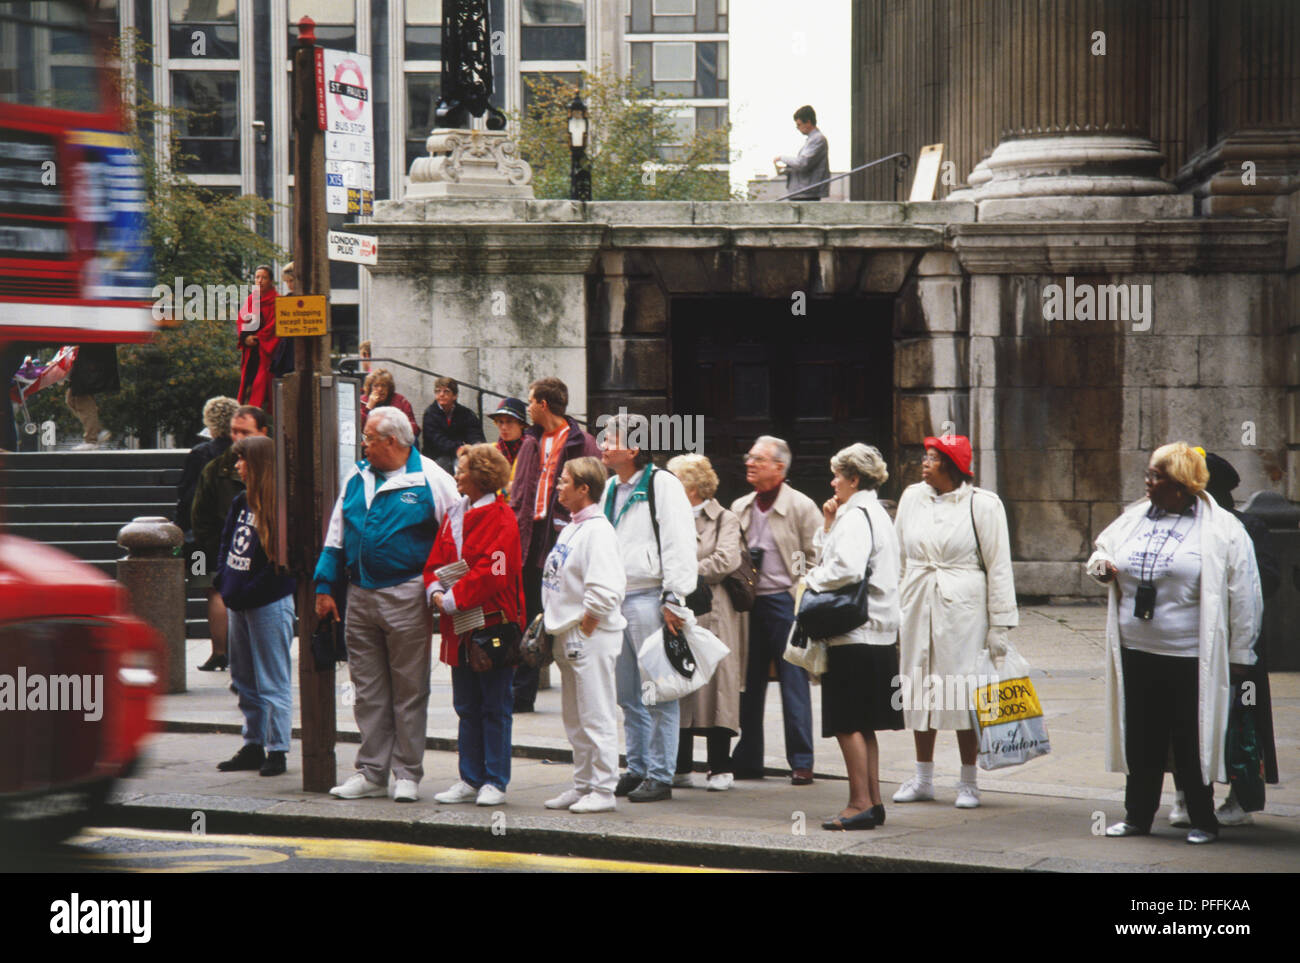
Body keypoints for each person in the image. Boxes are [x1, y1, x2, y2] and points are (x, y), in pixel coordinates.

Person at [1089, 442, 1262, 844]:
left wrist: (1241, 654)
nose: (1147, 482)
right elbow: (1102, 549)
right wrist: (1101, 567)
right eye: (1149, 474)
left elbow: (1245, 594)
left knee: (1190, 736)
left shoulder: (1222, 529)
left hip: (1190, 654)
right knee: (1141, 735)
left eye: (1156, 476)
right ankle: (1138, 816)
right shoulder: (1134, 517)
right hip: (1135, 649)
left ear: (1181, 485)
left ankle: (1203, 818)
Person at [315, 406, 458, 803]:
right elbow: (336, 534)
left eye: (369, 438)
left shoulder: (431, 477)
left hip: (407, 594)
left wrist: (443, 591)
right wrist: (325, 586)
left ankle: (407, 773)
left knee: (409, 690)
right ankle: (371, 772)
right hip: (359, 594)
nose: (363, 444)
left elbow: (457, 537)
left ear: (391, 442)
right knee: (367, 690)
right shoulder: (357, 476)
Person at [893, 434, 1017, 809]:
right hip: (917, 600)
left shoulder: (983, 505)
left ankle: (968, 781)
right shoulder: (911, 498)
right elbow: (899, 556)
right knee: (918, 687)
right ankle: (923, 777)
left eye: (931, 458)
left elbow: (998, 566)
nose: (924, 464)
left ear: (950, 465)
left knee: (963, 690)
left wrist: (1000, 625)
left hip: (963, 607)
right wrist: (893, 607)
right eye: (925, 457)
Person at [1167, 451, 1279, 827]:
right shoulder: (1181, 525)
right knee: (1185, 718)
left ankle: (1243, 796)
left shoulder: (1247, 527)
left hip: (1238, 648)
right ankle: (1186, 793)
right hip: (1191, 643)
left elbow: (1266, 581)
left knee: (1244, 718)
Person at [599, 413, 697, 803]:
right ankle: (637, 767)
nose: (602, 445)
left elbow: (679, 542)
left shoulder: (663, 484)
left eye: (610, 439)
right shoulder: (609, 487)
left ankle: (660, 773)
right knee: (627, 692)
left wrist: (675, 596)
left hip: (650, 597)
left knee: (657, 691)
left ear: (634, 448)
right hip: (616, 599)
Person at [804, 444, 902, 830]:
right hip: (878, 633)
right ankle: (873, 802)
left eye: (837, 476)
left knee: (846, 722)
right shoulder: (875, 513)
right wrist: (828, 524)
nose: (833, 483)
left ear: (854, 479)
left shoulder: (857, 515)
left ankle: (858, 802)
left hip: (854, 631)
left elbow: (844, 567)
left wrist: (809, 581)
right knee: (864, 723)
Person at [424, 444, 524, 807]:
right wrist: (434, 587)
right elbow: (435, 561)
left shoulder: (502, 517)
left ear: (481, 476)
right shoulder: (453, 513)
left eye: (462, 468)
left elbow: (496, 572)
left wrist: (454, 597)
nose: (457, 474)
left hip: (492, 624)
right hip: (459, 627)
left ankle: (495, 780)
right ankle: (470, 777)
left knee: (495, 706)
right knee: (466, 705)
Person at [729, 435, 821, 784]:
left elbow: (817, 558)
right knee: (747, 684)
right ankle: (749, 757)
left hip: (786, 601)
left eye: (758, 459)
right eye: (748, 458)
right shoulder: (741, 506)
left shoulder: (800, 506)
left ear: (779, 468)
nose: (749, 464)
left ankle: (801, 760)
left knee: (793, 682)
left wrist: (801, 593)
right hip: (749, 605)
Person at [541, 457, 628, 814]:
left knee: (597, 713)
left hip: (587, 636)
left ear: (584, 489)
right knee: (575, 717)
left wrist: (586, 626)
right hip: (568, 633)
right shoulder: (572, 527)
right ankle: (583, 785)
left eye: (564, 481)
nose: (558, 486)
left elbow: (607, 590)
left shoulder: (598, 531)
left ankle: (604, 790)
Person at [508, 377, 601, 712]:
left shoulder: (583, 442)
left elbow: (594, 489)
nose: (527, 406)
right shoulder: (530, 440)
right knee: (528, 613)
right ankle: (522, 693)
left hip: (562, 538)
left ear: (543, 404)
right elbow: (519, 491)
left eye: (530, 401)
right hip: (529, 538)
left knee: (559, 611)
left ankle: (577, 687)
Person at [212, 435, 296, 777]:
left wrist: (245, 593)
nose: (237, 465)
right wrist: (223, 580)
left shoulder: (280, 506)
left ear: (258, 464)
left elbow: (280, 568)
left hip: (268, 604)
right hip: (238, 601)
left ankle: (277, 749)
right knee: (243, 678)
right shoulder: (241, 501)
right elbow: (225, 543)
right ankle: (253, 743)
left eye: (242, 459)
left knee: (272, 679)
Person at [667, 453, 743, 792]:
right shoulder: (669, 517)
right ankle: (680, 764)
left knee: (717, 688)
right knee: (680, 684)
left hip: (713, 609)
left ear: (693, 487)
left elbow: (726, 559)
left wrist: (683, 572)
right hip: (678, 609)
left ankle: (720, 767)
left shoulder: (725, 518)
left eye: (675, 481)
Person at [191, 405, 270, 671]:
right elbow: (195, 510)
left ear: (262, 432)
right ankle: (220, 652)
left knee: (214, 592)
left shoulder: (218, 463)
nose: (238, 437)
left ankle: (224, 652)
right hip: (208, 548)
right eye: (234, 431)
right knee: (210, 589)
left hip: (234, 552)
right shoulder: (212, 465)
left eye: (244, 432)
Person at [177, 396, 239, 669]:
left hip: (201, 539)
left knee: (211, 590)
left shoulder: (201, 454)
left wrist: (182, 530)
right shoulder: (241, 453)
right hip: (235, 532)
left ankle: (220, 651)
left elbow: (186, 496)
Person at [422, 376, 485, 475]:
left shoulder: (465, 413)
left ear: (455, 396)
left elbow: (474, 433)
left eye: (446, 391)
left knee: (472, 467)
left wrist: (475, 447)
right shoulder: (430, 414)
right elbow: (437, 440)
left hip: (461, 454)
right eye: (438, 391)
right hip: (437, 456)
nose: (441, 395)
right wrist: (459, 448)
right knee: (443, 468)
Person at [63, 342, 119, 450]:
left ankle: (92, 438)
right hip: (86, 361)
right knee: (70, 399)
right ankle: (96, 431)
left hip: (88, 364)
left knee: (82, 400)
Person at [774, 105, 830, 200]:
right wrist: (786, 170)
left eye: (799, 125)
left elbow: (803, 163)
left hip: (807, 193)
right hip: (802, 192)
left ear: (808, 122)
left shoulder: (818, 139)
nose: (797, 128)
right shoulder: (812, 140)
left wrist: (782, 158)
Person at [361, 368, 419, 442]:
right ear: (370, 387)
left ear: (389, 388)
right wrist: (368, 407)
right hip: (371, 439)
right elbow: (358, 428)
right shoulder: (362, 401)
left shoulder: (401, 401)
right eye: (376, 386)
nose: (380, 389)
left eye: (383, 385)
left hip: (395, 439)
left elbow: (413, 427)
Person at [488, 397, 528, 488]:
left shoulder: (531, 450)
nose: (504, 427)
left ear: (521, 424)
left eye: (509, 422)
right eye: (500, 422)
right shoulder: (491, 452)